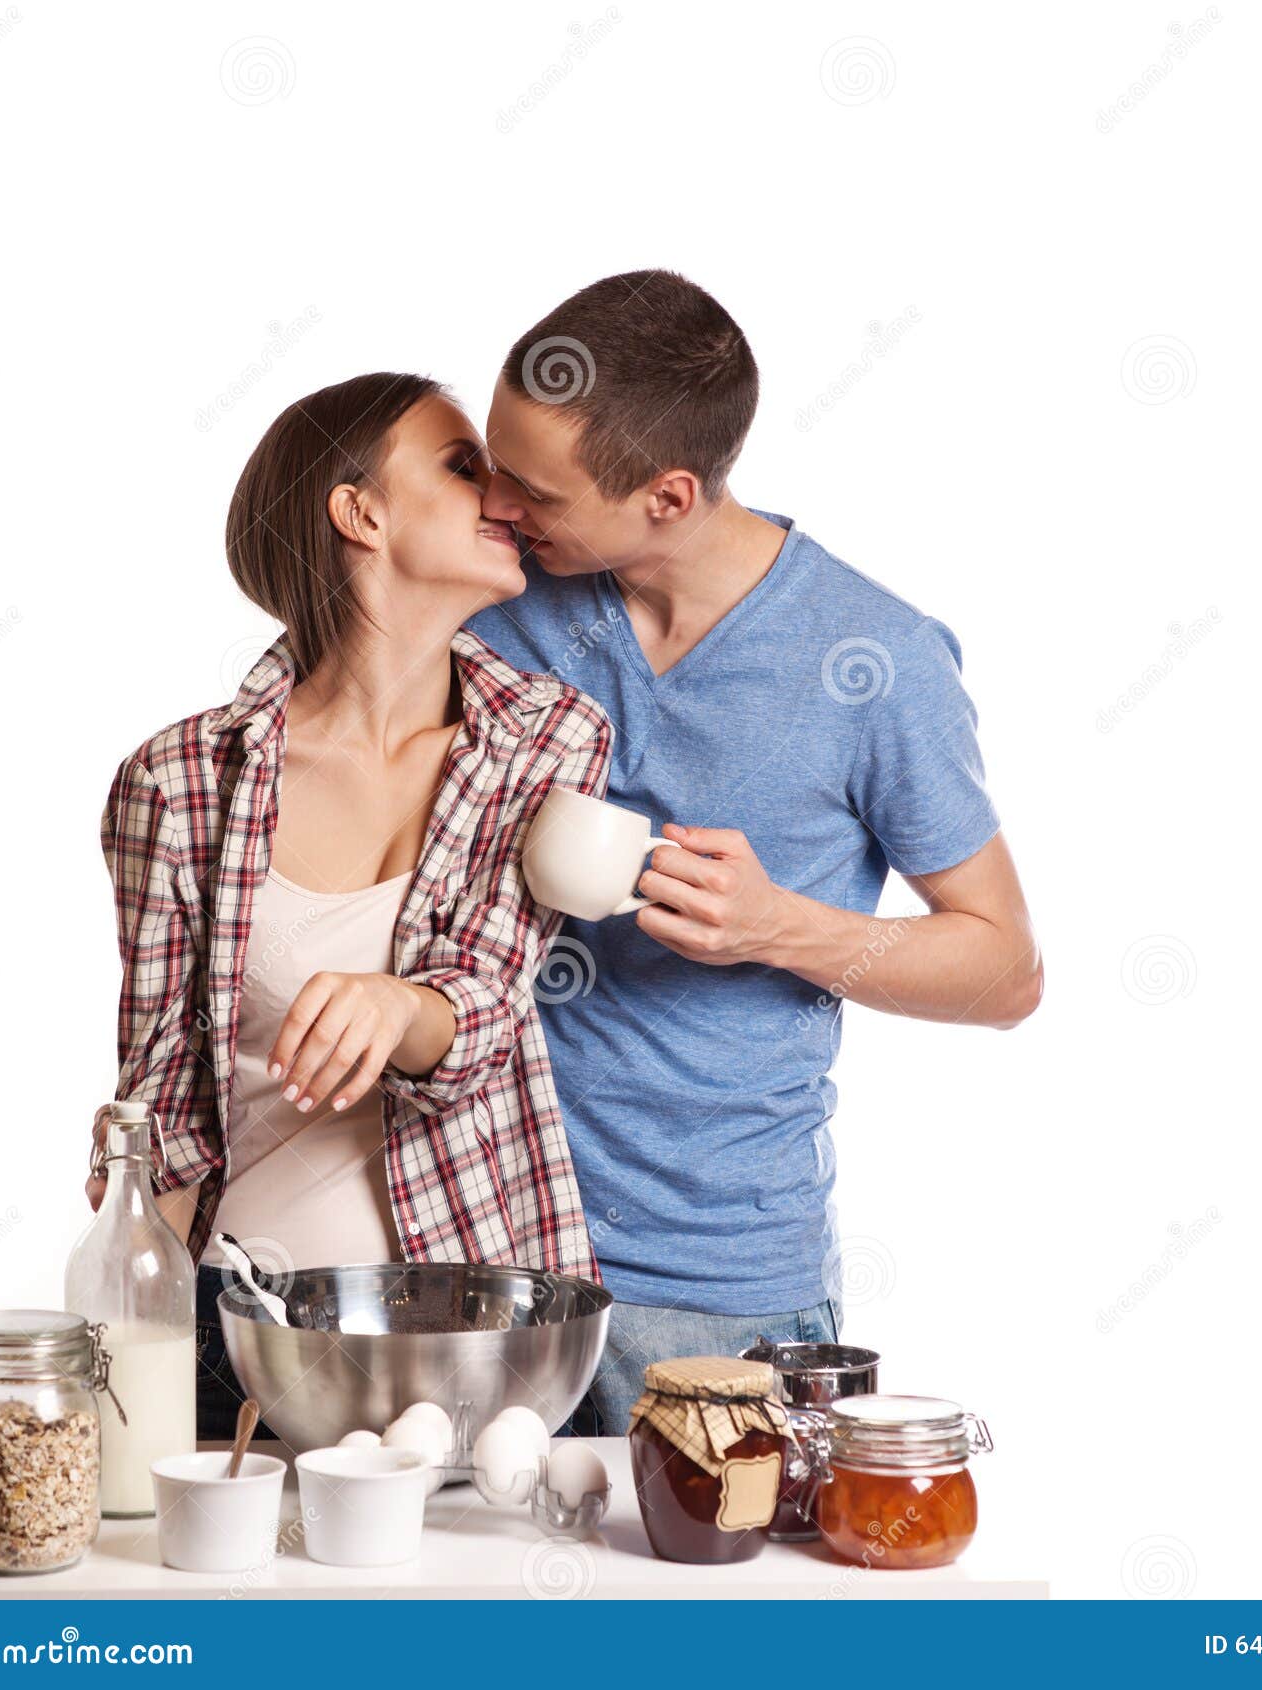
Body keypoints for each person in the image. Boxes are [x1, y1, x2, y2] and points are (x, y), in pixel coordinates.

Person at [469, 271, 1043, 1433]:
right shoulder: (500, 599)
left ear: (668, 496)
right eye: (493, 464)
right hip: (480, 1255)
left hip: (714, 1290)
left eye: (532, 489)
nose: (495, 503)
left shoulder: (874, 660)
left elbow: (1005, 972)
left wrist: (781, 926)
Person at [92, 372, 611, 1435]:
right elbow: (163, 1098)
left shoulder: (550, 737)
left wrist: (398, 1006)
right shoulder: (178, 780)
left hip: (480, 1328)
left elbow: (488, 1002)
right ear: (360, 512)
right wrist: (123, 1354)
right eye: (463, 466)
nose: (504, 495)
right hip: (244, 1335)